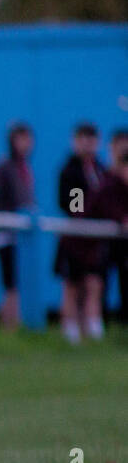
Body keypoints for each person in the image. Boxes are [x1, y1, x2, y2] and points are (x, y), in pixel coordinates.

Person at [54, 123, 108, 342]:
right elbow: (72, 204)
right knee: (72, 284)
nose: (87, 145)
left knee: (94, 282)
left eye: (91, 140)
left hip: (95, 238)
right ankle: (70, 327)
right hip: (75, 237)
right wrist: (85, 212)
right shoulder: (70, 170)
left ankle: (92, 326)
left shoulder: (101, 170)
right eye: (83, 139)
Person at [0, 123, 36, 329]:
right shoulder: (4, 166)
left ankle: (14, 325)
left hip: (21, 234)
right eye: (21, 139)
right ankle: (8, 326)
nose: (25, 144)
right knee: (11, 284)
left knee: (18, 282)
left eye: (28, 139)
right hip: (6, 234)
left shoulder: (25, 168)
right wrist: (13, 213)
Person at [93, 131, 128, 323]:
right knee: (96, 281)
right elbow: (77, 198)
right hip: (96, 238)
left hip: (121, 239)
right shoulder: (97, 172)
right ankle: (98, 320)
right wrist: (79, 214)